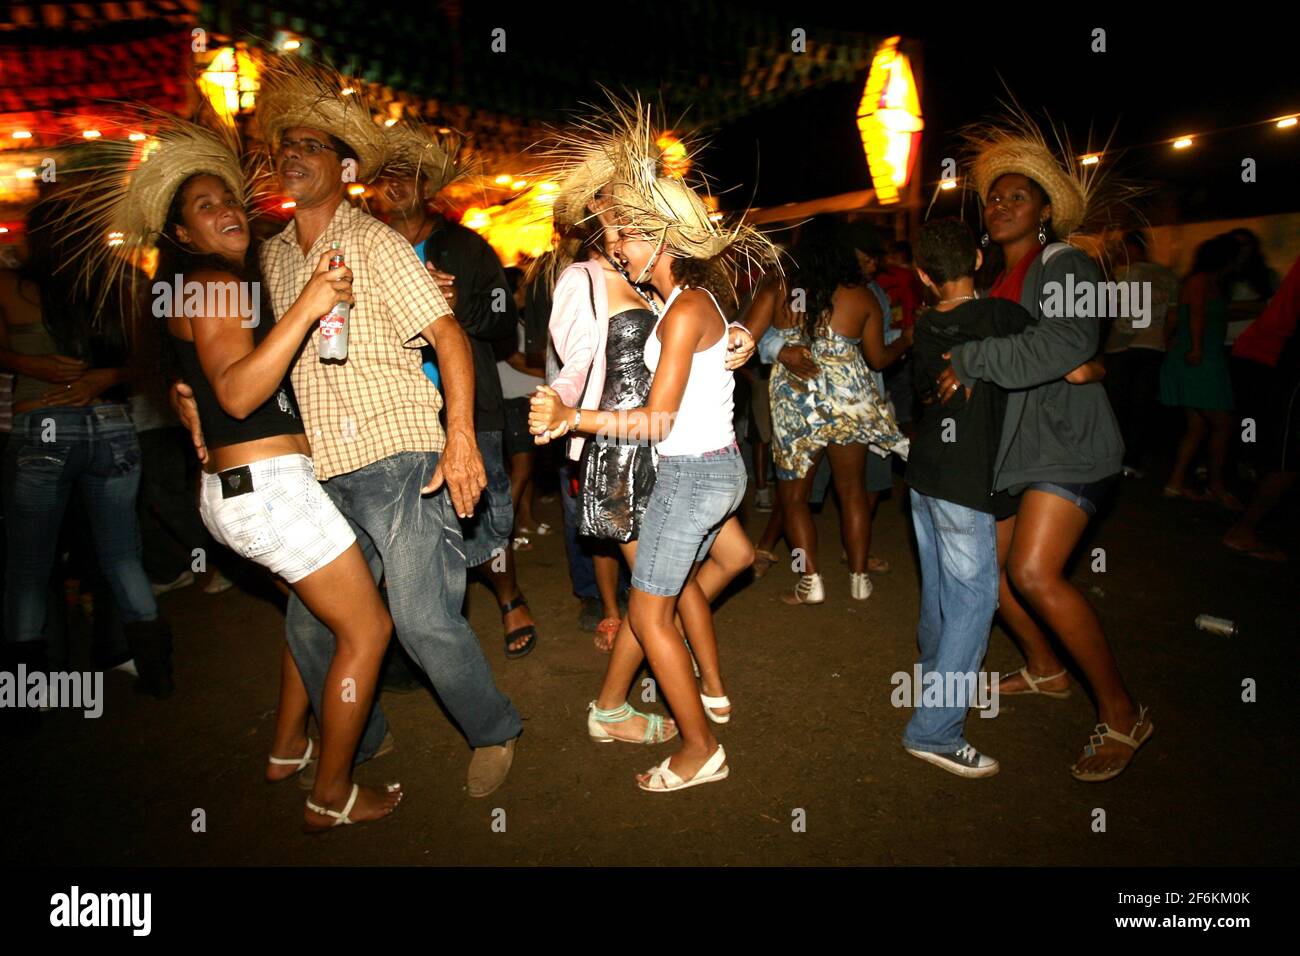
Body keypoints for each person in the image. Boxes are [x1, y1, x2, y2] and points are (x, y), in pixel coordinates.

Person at [172, 59, 522, 798]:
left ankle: (493, 729)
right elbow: (237, 359)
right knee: (308, 628)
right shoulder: (265, 260)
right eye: (283, 148)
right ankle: (360, 741)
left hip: (399, 457)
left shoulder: (376, 242)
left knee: (423, 619)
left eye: (311, 146)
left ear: (345, 165)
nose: (291, 157)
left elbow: (450, 337)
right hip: (316, 474)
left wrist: (460, 436)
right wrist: (188, 397)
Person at [77, 116, 404, 828]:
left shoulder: (197, 291)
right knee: (367, 630)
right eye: (204, 206)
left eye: (229, 199)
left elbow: (200, 386)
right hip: (271, 492)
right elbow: (235, 391)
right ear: (184, 236)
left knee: (310, 616)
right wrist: (313, 304)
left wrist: (189, 396)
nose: (226, 210)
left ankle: (288, 746)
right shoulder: (215, 286)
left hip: (240, 493)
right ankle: (333, 792)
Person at [531, 166, 780, 791]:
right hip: (716, 467)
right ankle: (684, 694)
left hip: (687, 473)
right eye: (614, 234)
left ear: (665, 239)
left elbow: (658, 419)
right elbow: (586, 358)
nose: (619, 247)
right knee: (694, 581)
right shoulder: (682, 302)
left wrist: (571, 419)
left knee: (649, 615)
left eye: (630, 235)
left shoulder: (681, 307)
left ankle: (700, 748)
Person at [936, 111, 1151, 781]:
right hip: (1011, 451)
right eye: (994, 197)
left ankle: (1122, 712)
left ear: (1044, 211)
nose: (1000, 206)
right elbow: (1053, 351)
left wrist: (977, 360)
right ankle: (1046, 669)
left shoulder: (1063, 262)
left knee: (1032, 572)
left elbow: (1066, 343)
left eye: (1016, 196)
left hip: (1066, 444)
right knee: (987, 579)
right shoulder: (997, 280)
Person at [369, 122, 538, 657]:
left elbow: (501, 320)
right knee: (408, 528)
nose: (392, 187)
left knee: (485, 517)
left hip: (469, 409)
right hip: (393, 412)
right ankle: (425, 634)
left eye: (404, 177)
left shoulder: (465, 246)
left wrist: (453, 304)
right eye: (382, 177)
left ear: (425, 186)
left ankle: (510, 598)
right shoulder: (367, 247)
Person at [0, 196, 174, 703]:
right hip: (113, 424)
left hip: (43, 428)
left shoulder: (11, 286)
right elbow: (152, 356)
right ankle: (158, 674)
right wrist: (105, 378)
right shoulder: (116, 282)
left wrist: (28, 364)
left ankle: (27, 696)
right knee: (122, 555)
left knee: (28, 566)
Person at [903, 218, 1036, 778]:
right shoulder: (1003, 317)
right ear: (977, 261)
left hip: (925, 472)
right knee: (975, 600)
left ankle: (936, 676)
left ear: (920, 275)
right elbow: (1057, 350)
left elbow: (920, 393)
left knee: (939, 589)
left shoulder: (925, 326)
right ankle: (935, 730)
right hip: (964, 481)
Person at [743, 218, 908, 605]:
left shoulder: (780, 286)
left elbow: (742, 337)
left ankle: (810, 580)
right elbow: (879, 359)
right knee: (852, 492)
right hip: (849, 404)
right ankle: (858, 577)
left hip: (796, 406)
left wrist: (781, 348)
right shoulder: (862, 296)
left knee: (795, 497)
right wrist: (907, 342)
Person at [1224, 255, 1300, 561]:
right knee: (1250, 427)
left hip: (1261, 356)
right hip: (1259, 357)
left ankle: (1249, 462)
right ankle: (1246, 462)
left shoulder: (1265, 277)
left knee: (1259, 429)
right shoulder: (1225, 282)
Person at [1159, 235, 1242, 508]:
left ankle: (1176, 481)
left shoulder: (1213, 283)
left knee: (1197, 426)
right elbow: (1195, 315)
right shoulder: (1200, 281)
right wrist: (1195, 348)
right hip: (1199, 359)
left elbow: (1178, 316)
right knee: (1222, 423)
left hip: (1203, 356)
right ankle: (1215, 485)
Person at [1102, 230, 1178, 479]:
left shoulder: (1128, 273)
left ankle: (1112, 458)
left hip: (1123, 347)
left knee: (1117, 405)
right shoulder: (1167, 275)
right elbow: (1173, 315)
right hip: (1153, 347)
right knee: (1141, 406)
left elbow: (1113, 308)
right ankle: (1132, 462)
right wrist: (1164, 340)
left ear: (1133, 248)